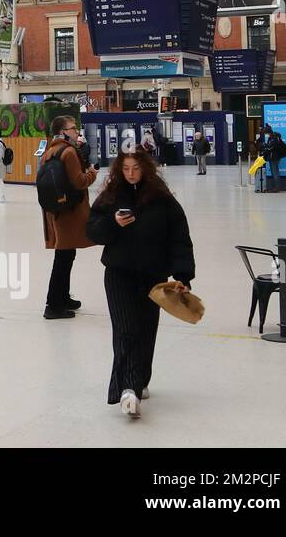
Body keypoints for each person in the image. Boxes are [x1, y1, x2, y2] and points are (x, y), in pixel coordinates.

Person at [87, 150, 195, 418]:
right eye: (125, 169)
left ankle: (140, 379)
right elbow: (92, 231)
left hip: (152, 276)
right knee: (125, 329)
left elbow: (179, 238)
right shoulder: (110, 197)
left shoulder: (163, 201)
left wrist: (182, 275)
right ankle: (127, 390)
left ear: (146, 168)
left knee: (147, 330)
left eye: (135, 168)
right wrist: (113, 223)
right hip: (118, 273)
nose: (131, 174)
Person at [39, 115, 98, 320]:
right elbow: (80, 182)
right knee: (63, 259)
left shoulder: (49, 152)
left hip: (55, 212)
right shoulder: (69, 152)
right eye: (73, 128)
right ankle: (53, 305)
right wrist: (92, 173)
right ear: (63, 132)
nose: (77, 131)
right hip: (70, 213)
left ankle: (63, 297)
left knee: (65, 256)